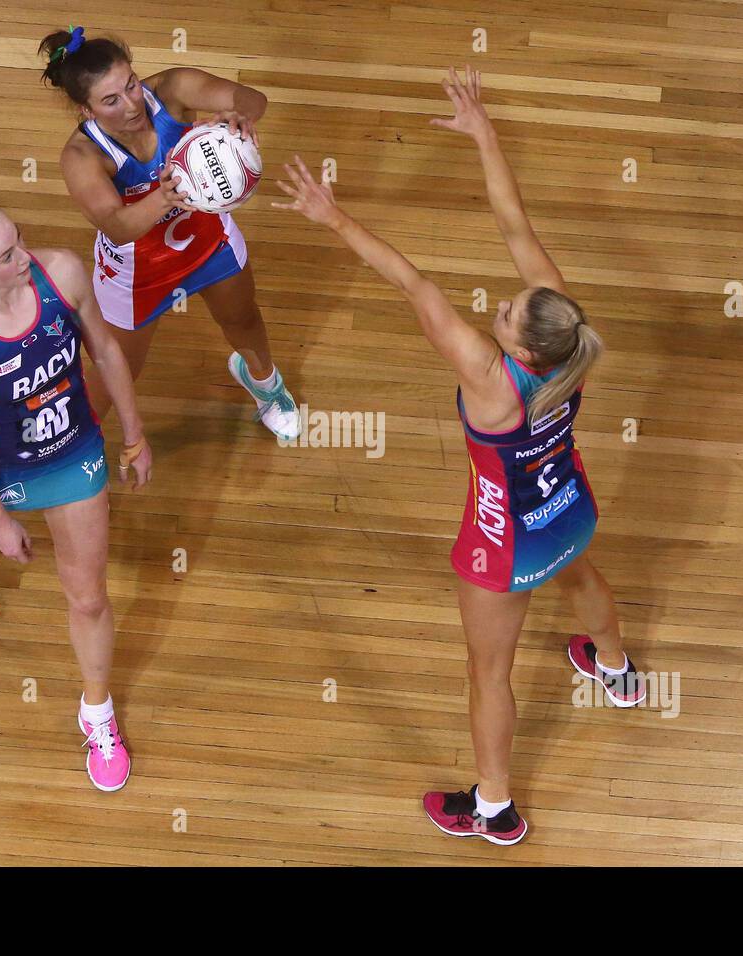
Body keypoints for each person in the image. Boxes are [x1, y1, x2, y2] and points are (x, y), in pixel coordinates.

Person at [273, 68, 647, 846]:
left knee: (488, 675)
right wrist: (485, 135)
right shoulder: (568, 333)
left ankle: (494, 807)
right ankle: (616, 669)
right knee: (583, 577)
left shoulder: (486, 375)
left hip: (503, 543)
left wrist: (331, 215)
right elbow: (515, 224)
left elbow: (414, 283)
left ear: (517, 346)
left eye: (506, 313)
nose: (502, 303)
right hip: (568, 509)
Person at [0, 200, 151, 792]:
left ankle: (97, 713)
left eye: (20, 241)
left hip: (72, 450)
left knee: (89, 597)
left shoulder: (62, 273)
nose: (25, 259)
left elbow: (109, 351)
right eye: (8, 255)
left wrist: (135, 436)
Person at [40, 26, 301, 440]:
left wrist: (239, 116)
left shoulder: (173, 88)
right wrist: (168, 195)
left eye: (130, 85)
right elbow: (118, 225)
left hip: (208, 242)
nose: (131, 105)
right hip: (135, 275)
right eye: (111, 100)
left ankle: (267, 386)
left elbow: (254, 99)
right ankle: (75, 451)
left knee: (243, 319)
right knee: (117, 374)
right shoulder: (81, 156)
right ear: (87, 111)